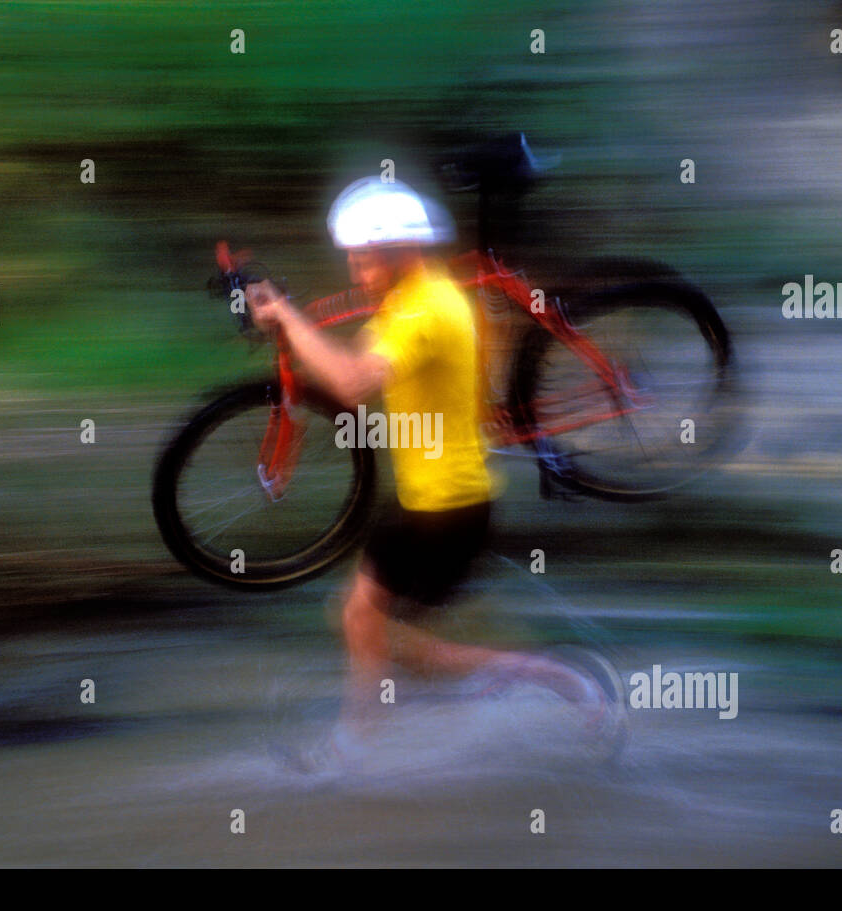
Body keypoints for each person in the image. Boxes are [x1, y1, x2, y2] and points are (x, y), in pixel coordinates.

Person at [245, 176, 608, 766]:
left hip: (449, 510)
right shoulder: (415, 296)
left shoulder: (428, 309)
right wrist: (284, 325)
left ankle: (547, 681)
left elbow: (352, 380)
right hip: (421, 501)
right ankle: (455, 698)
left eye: (364, 260)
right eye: (353, 260)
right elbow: (342, 367)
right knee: (365, 623)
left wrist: (285, 314)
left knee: (378, 631)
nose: (357, 273)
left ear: (398, 252)